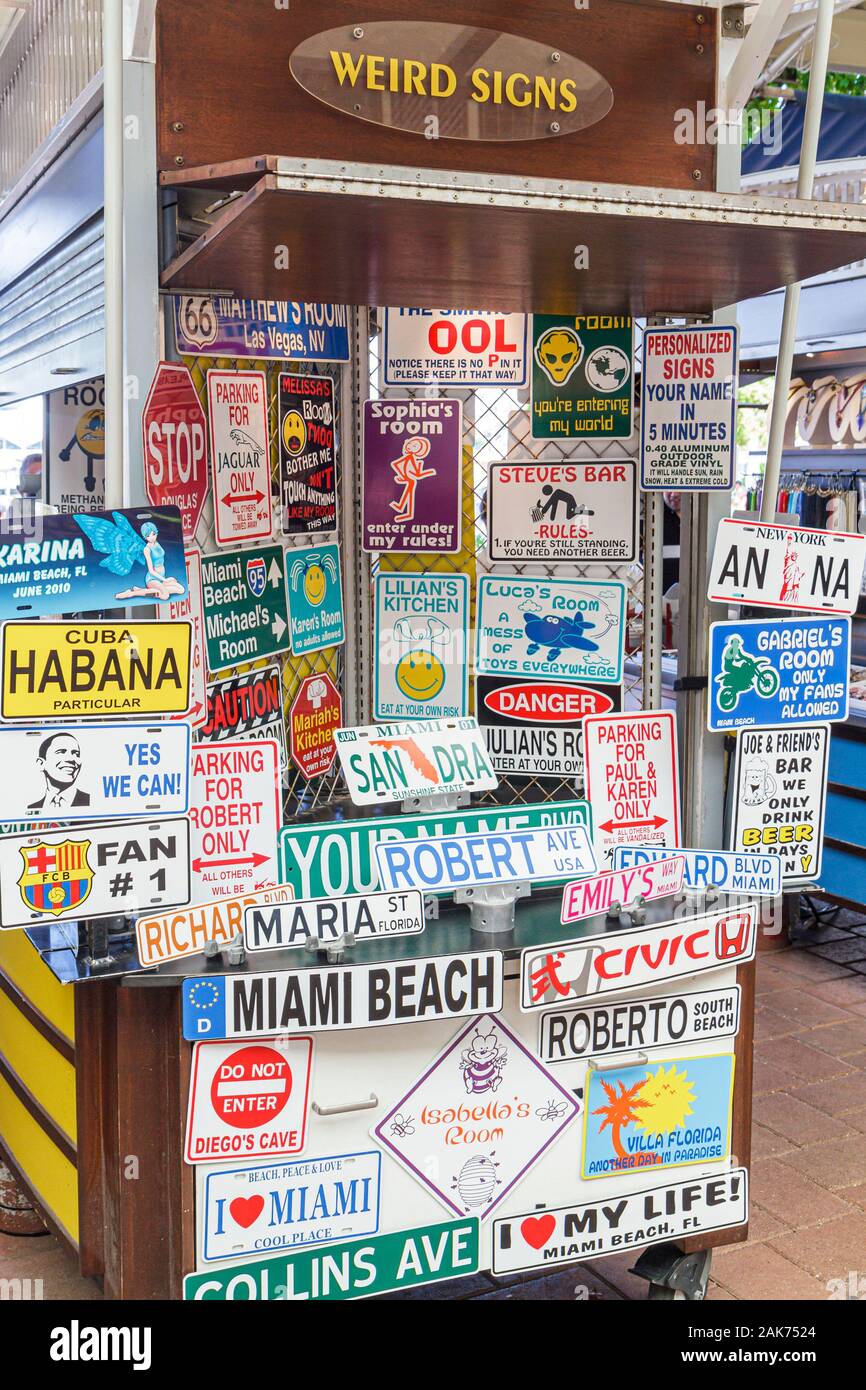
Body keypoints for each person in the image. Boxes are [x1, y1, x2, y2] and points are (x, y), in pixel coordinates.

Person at [28, 732, 90, 811]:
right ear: (41, 763)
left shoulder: (93, 802)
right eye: (61, 752)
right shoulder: (31, 809)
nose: (70, 759)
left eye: (76, 754)